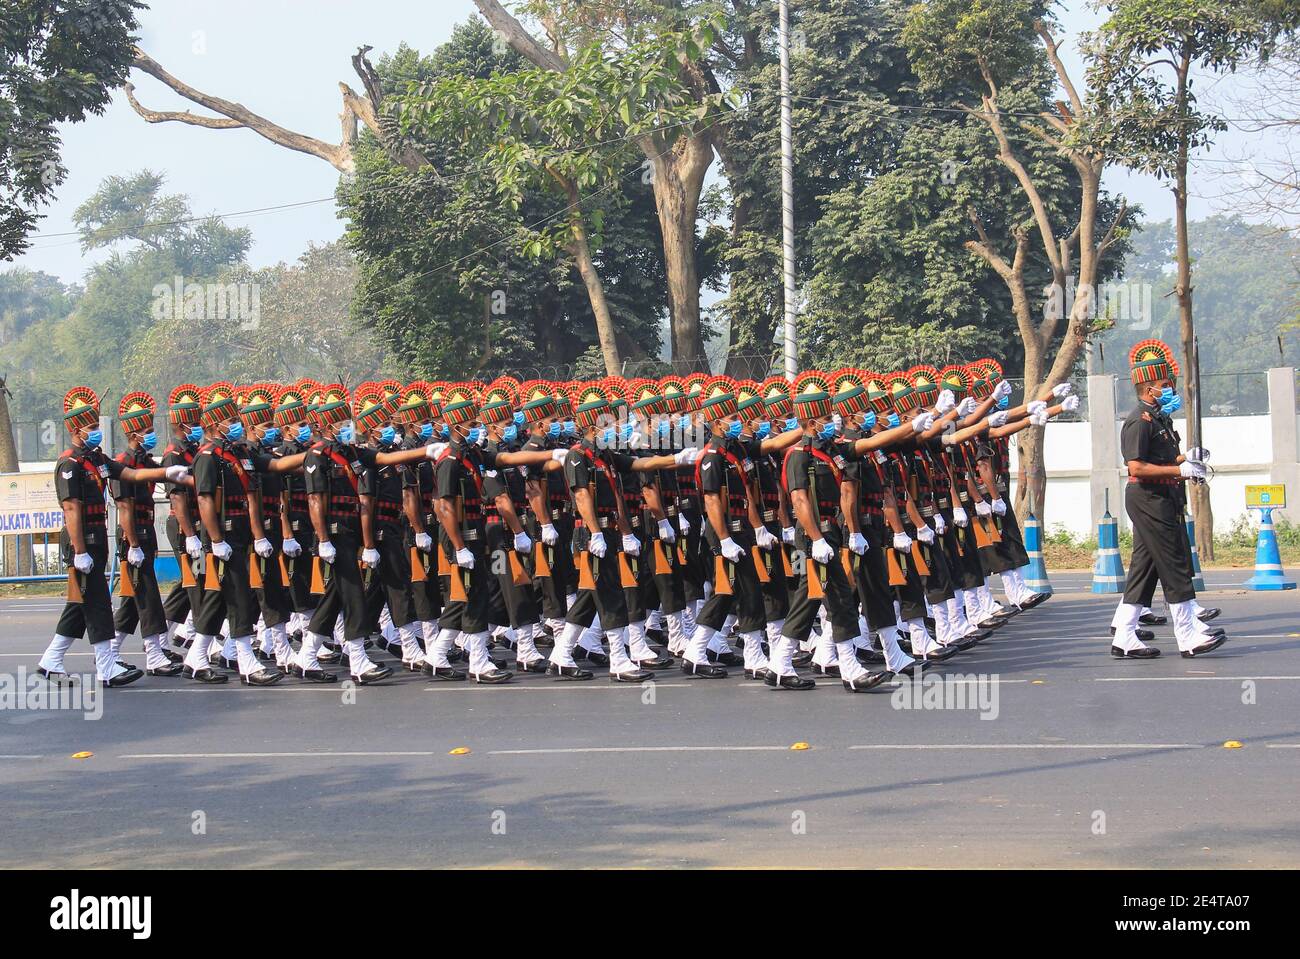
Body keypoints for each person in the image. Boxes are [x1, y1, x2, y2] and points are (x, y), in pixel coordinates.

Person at [38, 387, 191, 687]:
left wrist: (165, 474)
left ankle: (51, 660)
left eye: (97, 425)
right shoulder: (70, 463)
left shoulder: (95, 459)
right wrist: (80, 551)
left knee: (81, 603)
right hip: (81, 541)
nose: (97, 431)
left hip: (94, 539)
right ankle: (106, 666)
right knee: (96, 603)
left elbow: (130, 475)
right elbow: (71, 509)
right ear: (76, 429)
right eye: (92, 427)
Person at [1109, 340, 1226, 659]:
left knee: (1145, 568)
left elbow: (1165, 456)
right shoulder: (1139, 420)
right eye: (1164, 385)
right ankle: (1187, 634)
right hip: (1149, 497)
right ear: (1148, 390)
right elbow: (1136, 465)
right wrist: (1179, 470)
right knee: (1174, 563)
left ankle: (1125, 634)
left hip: (1162, 495)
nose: (1170, 388)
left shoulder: (1159, 419)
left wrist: (1186, 458)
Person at [108, 391, 182, 676]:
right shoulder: (123, 462)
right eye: (148, 431)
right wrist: (134, 545)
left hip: (144, 532)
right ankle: (154, 654)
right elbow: (124, 507)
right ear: (134, 434)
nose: (152, 436)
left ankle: (111, 652)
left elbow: (163, 473)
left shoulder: (145, 461)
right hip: (132, 536)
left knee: (131, 598)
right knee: (148, 594)